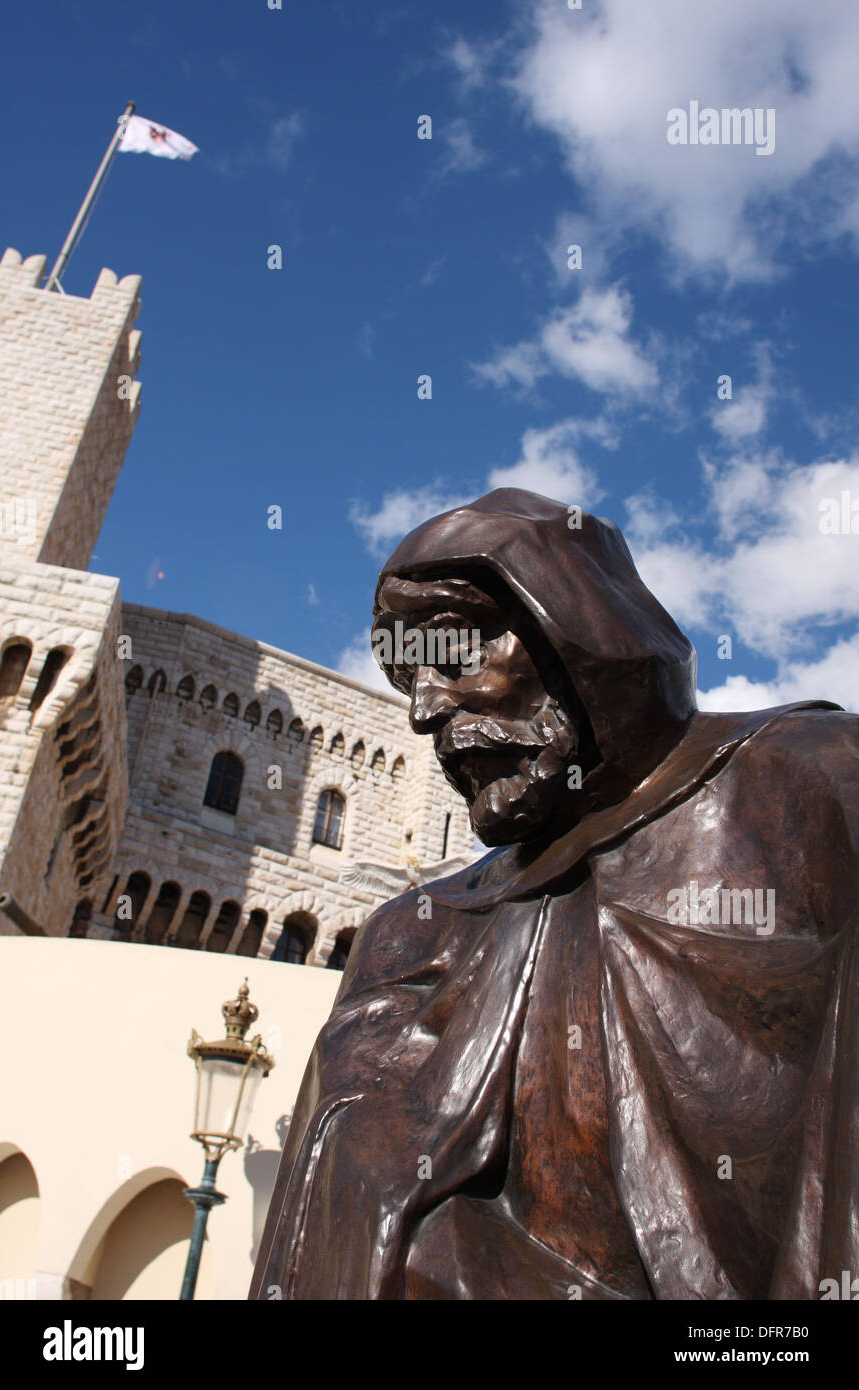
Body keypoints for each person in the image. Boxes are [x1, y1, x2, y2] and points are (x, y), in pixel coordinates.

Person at [251, 488, 858, 1300]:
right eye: (407, 680)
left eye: (456, 652)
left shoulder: (804, 782)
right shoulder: (412, 936)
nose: (425, 710)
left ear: (578, 634)